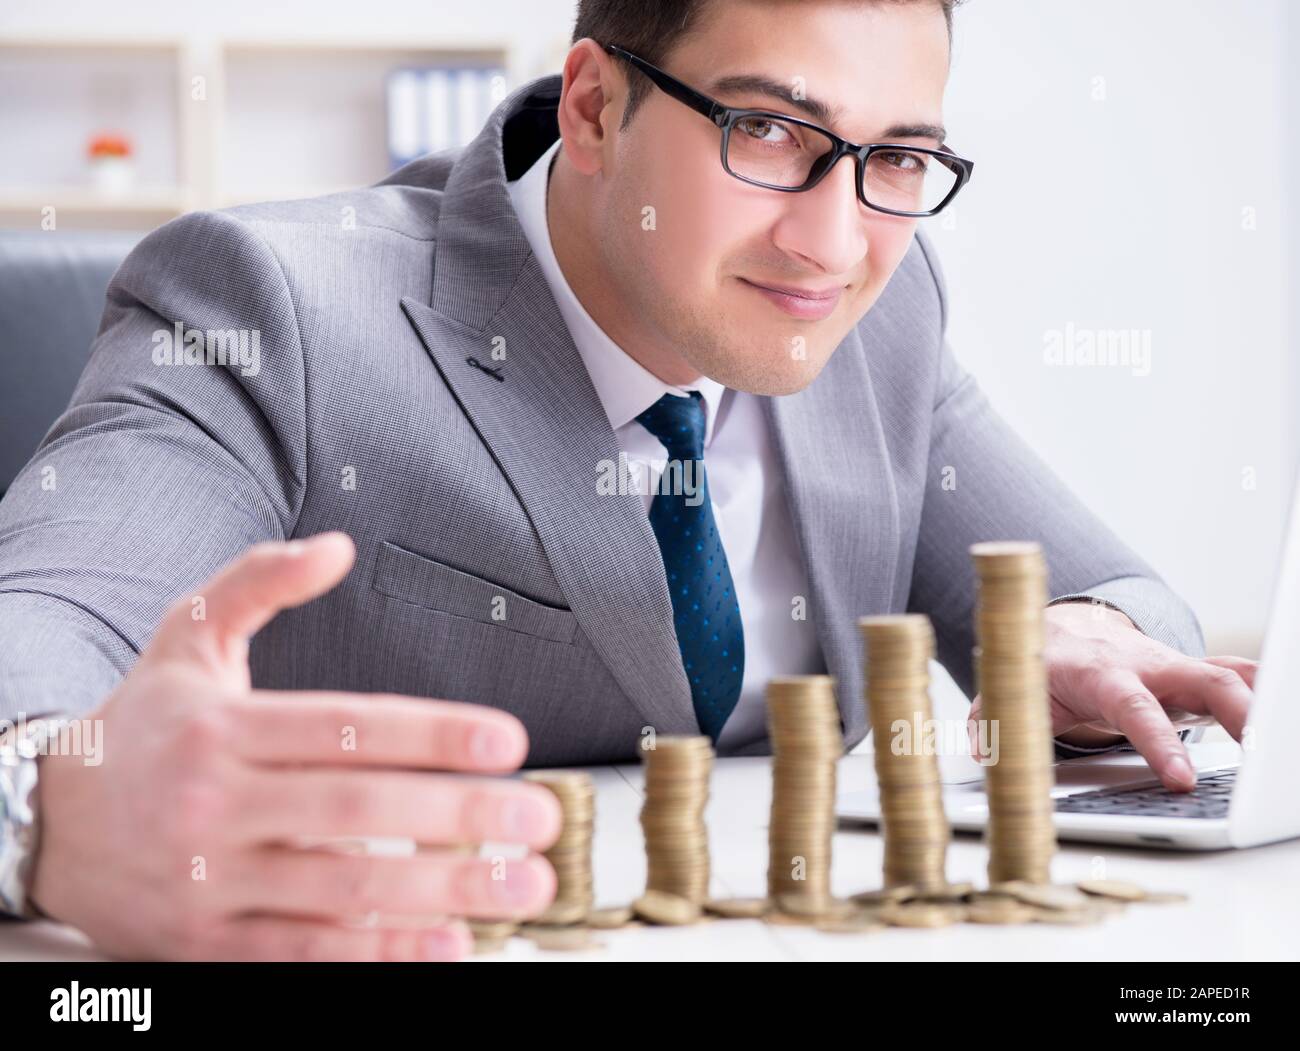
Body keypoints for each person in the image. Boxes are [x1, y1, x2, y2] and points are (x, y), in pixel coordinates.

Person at [0, 0, 1255, 960]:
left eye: (899, 159)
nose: (833, 241)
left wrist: (1087, 638)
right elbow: (45, 625)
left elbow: (1110, 594)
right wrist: (53, 808)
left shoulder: (877, 312)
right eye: (767, 131)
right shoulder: (272, 304)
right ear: (595, 108)